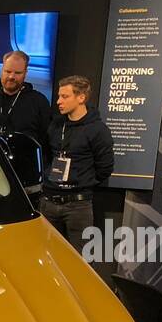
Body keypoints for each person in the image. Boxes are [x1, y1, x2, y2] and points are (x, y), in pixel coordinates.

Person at [39, 75, 114, 266]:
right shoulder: (56, 125)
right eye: (58, 96)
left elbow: (105, 167)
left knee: (80, 262)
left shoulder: (98, 129)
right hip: (49, 201)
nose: (58, 101)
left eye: (64, 96)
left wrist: (81, 183)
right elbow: (47, 154)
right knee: (47, 259)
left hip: (78, 206)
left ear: (81, 98)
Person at [0, 50, 52, 189]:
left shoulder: (38, 102)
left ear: (25, 73)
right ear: (2, 69)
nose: (11, 76)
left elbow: (46, 140)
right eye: (7, 71)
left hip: (27, 177)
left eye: (17, 73)